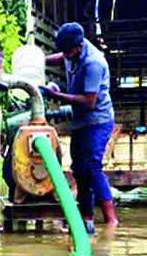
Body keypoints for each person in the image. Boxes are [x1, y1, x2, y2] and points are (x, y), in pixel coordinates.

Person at [44, 22, 119, 228]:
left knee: (92, 167)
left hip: (98, 120)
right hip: (80, 121)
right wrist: (39, 61)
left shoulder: (93, 63)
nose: (66, 56)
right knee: (78, 169)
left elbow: (89, 102)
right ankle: (86, 217)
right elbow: (61, 57)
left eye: (68, 52)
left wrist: (56, 95)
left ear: (78, 47)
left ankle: (111, 218)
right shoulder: (72, 50)